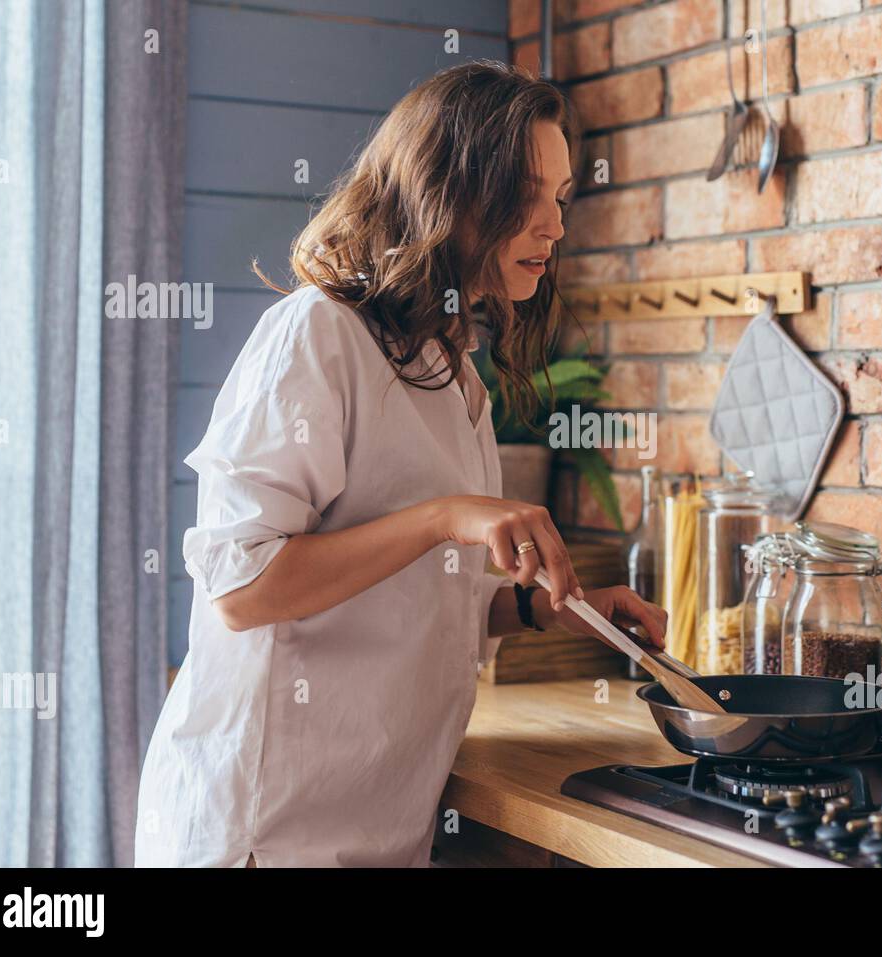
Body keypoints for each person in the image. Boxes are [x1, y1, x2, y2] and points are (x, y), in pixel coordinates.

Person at [134, 60, 666, 867]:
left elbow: (419, 593)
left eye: (560, 199)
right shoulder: (318, 334)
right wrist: (446, 516)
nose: (555, 228)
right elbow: (243, 589)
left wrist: (548, 610)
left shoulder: (451, 369)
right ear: (448, 189)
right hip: (262, 837)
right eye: (528, 193)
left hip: (378, 832)